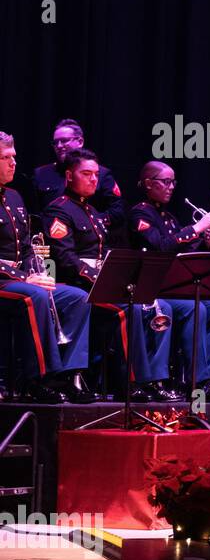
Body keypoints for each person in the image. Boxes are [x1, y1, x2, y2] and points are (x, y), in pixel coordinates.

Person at [45, 149, 178, 400]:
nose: (93, 179)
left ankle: (154, 380)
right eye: (86, 174)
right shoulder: (58, 210)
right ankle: (131, 381)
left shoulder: (93, 213)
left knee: (154, 306)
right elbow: (66, 259)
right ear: (69, 175)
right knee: (130, 309)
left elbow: (104, 254)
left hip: (101, 284)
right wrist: (101, 279)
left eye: (96, 174)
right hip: (78, 285)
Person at [0, 130, 94, 402]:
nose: (13, 163)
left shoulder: (15, 197)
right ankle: (39, 379)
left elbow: (27, 246)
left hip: (19, 279)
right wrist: (25, 277)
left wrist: (36, 271)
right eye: (5, 157)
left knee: (78, 298)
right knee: (36, 296)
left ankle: (69, 375)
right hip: (5, 281)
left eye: (14, 157)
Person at [129, 161, 210, 400]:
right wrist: (196, 228)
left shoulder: (169, 218)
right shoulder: (140, 213)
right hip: (151, 289)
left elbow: (184, 254)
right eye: (165, 181)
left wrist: (206, 240)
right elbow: (160, 247)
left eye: (173, 181)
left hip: (174, 288)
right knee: (194, 308)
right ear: (148, 183)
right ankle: (193, 380)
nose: (171, 187)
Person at [26, 119, 125, 232]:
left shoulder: (101, 174)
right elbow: (33, 214)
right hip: (52, 237)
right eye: (55, 142)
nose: (59, 146)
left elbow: (117, 213)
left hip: (91, 238)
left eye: (64, 141)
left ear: (80, 141)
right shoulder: (41, 174)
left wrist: (88, 222)